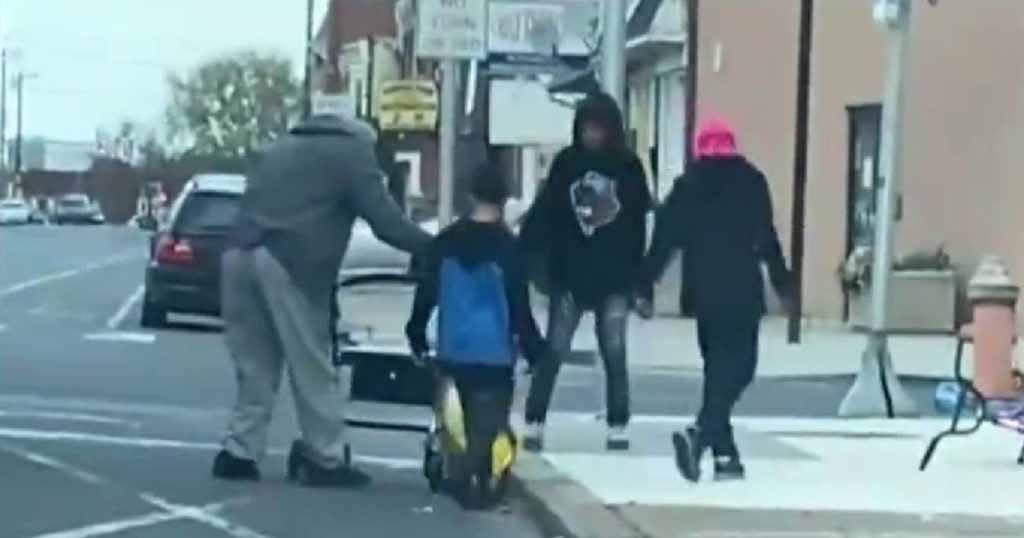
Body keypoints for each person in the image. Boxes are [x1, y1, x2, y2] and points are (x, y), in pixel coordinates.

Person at [213, 112, 432, 487]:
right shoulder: (352, 154)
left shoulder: (279, 148)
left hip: (238, 254)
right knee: (312, 364)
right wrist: (437, 247)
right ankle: (324, 455)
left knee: (254, 366)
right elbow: (384, 221)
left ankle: (239, 451)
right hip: (289, 260)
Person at [642, 117, 792, 482]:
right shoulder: (752, 182)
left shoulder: (687, 185)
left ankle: (725, 456)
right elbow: (766, 235)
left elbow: (664, 240)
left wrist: (645, 284)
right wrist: (783, 282)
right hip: (742, 289)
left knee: (717, 370)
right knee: (740, 369)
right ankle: (701, 433)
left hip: (703, 292)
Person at [405, 162, 548, 507]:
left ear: (471, 196)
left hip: (453, 350)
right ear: (503, 200)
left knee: (453, 417)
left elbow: (426, 294)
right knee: (494, 419)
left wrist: (417, 332)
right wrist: (535, 351)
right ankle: (487, 469)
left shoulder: (445, 244)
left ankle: (453, 462)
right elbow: (519, 309)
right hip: (496, 355)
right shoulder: (510, 250)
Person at [519, 91, 653, 452]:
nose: (592, 135)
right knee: (555, 350)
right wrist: (527, 252)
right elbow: (546, 211)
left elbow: (637, 226)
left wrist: (640, 280)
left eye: (599, 128)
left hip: (615, 274)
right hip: (570, 272)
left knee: (614, 349)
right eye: (587, 128)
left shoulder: (628, 167)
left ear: (611, 129)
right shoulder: (567, 163)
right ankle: (534, 419)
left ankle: (617, 422)